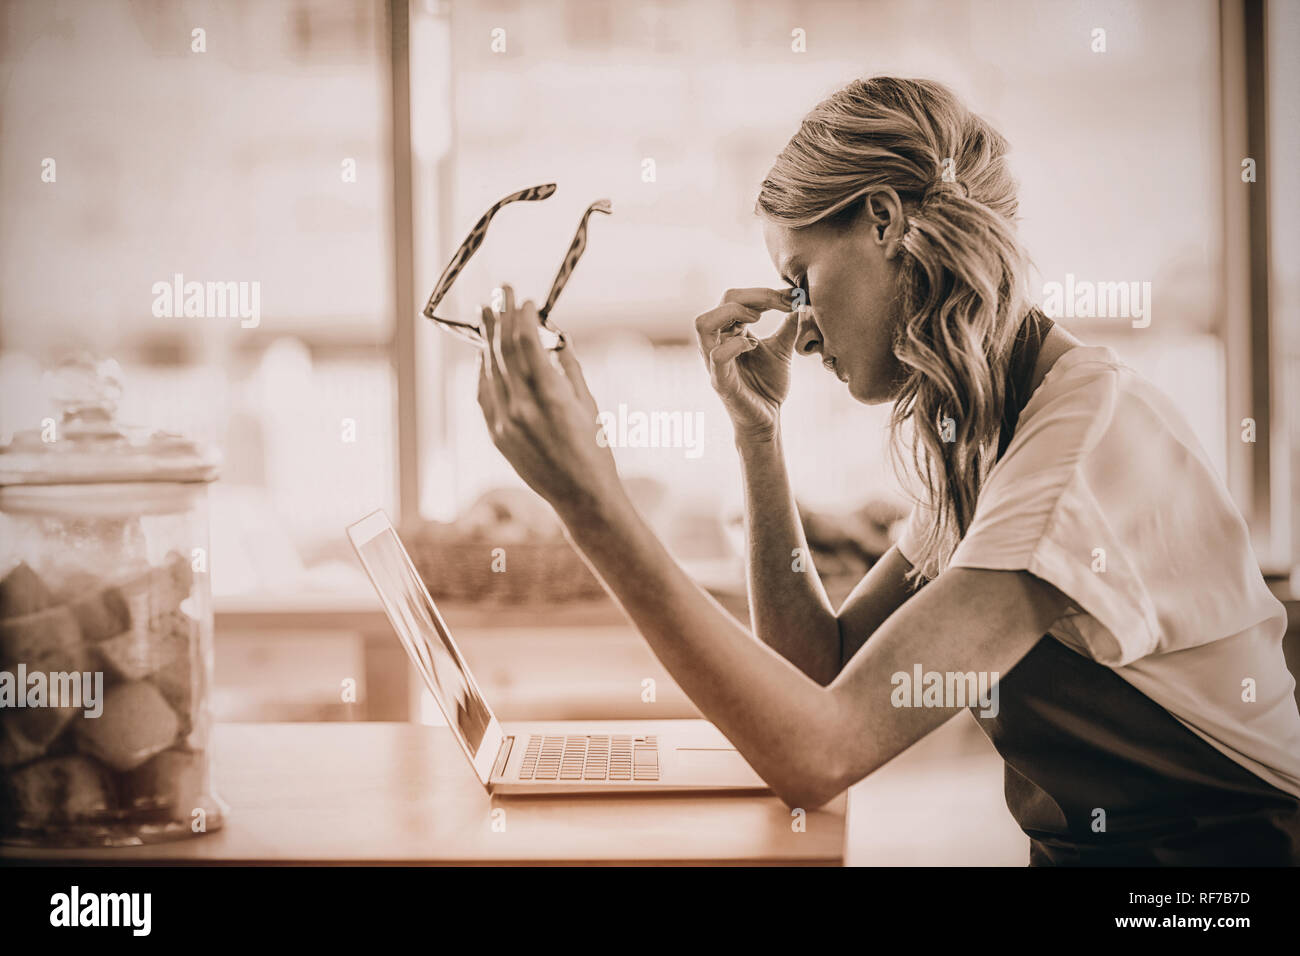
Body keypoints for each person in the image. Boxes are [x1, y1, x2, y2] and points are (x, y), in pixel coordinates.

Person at [471, 76, 1300, 865]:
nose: (799, 328)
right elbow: (816, 674)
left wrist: (591, 507)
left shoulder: (1074, 444)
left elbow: (820, 752)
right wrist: (757, 438)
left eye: (802, 281)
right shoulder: (986, 430)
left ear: (883, 220)